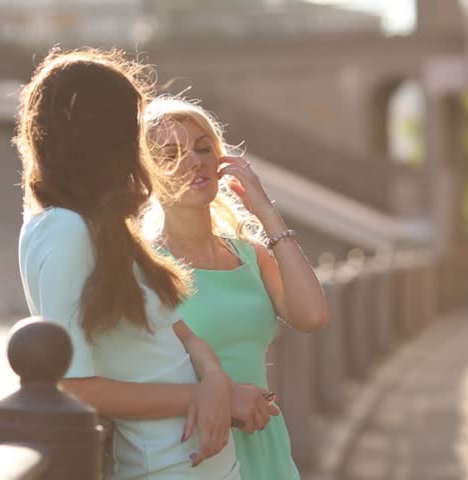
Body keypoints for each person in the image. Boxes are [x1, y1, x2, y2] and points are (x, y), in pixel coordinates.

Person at [16, 49, 255, 479]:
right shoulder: (64, 230)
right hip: (165, 468)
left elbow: (182, 335)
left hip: (208, 465)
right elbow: (73, 385)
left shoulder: (106, 228)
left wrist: (215, 379)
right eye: (129, 125)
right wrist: (204, 398)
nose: (137, 143)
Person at [143, 97, 330, 480]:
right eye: (171, 153)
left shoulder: (250, 256)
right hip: (195, 453)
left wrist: (265, 210)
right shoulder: (144, 266)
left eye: (202, 148)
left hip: (266, 447)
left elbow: (312, 316)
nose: (193, 161)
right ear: (148, 173)